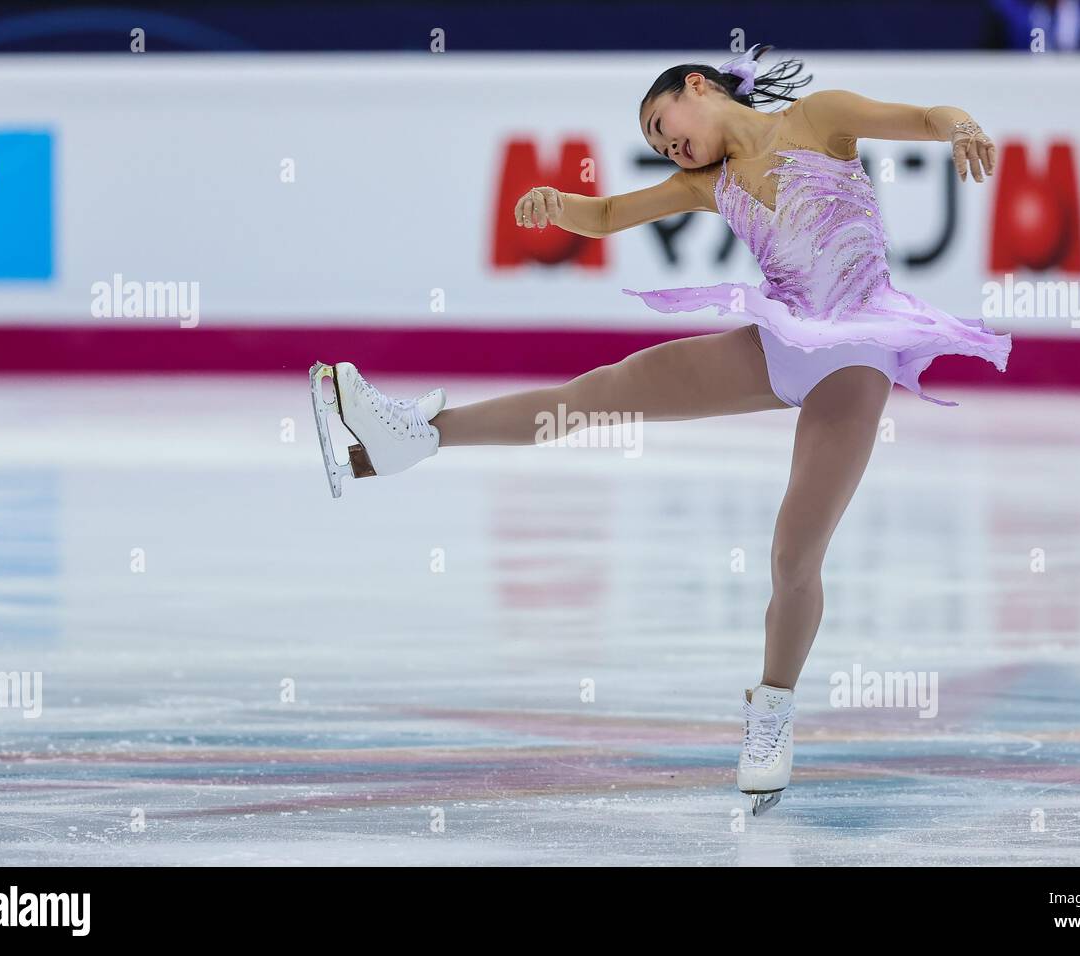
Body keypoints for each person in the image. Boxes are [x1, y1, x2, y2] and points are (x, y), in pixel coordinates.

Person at [311, 42, 1010, 815]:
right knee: (593, 396)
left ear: (698, 86)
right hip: (778, 343)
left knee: (794, 550)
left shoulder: (820, 120)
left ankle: (772, 712)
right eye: (652, 142)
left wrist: (963, 127)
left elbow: (921, 116)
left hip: (857, 348)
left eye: (661, 120)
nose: (664, 143)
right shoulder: (705, 185)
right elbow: (609, 213)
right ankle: (416, 434)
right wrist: (558, 206)